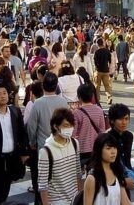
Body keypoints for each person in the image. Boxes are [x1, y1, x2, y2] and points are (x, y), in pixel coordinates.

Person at [27, 72, 70, 203]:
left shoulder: (38, 103)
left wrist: (32, 141)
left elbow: (31, 126)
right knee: (58, 179)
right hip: (61, 145)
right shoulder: (63, 101)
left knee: (43, 180)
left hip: (43, 146)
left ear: (43, 85)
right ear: (56, 85)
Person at [39, 108, 82, 205]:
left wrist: (80, 196)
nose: (70, 129)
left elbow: (78, 172)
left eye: (71, 125)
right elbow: (43, 185)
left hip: (74, 199)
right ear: (55, 126)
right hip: (57, 201)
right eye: (66, 125)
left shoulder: (75, 143)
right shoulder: (46, 151)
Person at [82, 132, 131, 205]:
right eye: (108, 148)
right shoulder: (92, 178)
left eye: (115, 148)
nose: (113, 152)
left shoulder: (117, 172)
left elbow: (125, 201)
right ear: (99, 150)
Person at [73, 82, 107, 171]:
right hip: (95, 148)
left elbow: (73, 134)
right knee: (93, 172)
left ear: (79, 97)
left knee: (81, 173)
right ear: (92, 96)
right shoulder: (99, 110)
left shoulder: (77, 113)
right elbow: (102, 131)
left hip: (81, 149)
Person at [93, 39, 113, 105]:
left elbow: (95, 63)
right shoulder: (107, 51)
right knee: (107, 86)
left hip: (99, 71)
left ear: (97, 44)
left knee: (97, 86)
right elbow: (110, 61)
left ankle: (98, 99)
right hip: (106, 70)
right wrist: (109, 69)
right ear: (103, 43)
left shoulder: (97, 52)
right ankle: (109, 97)